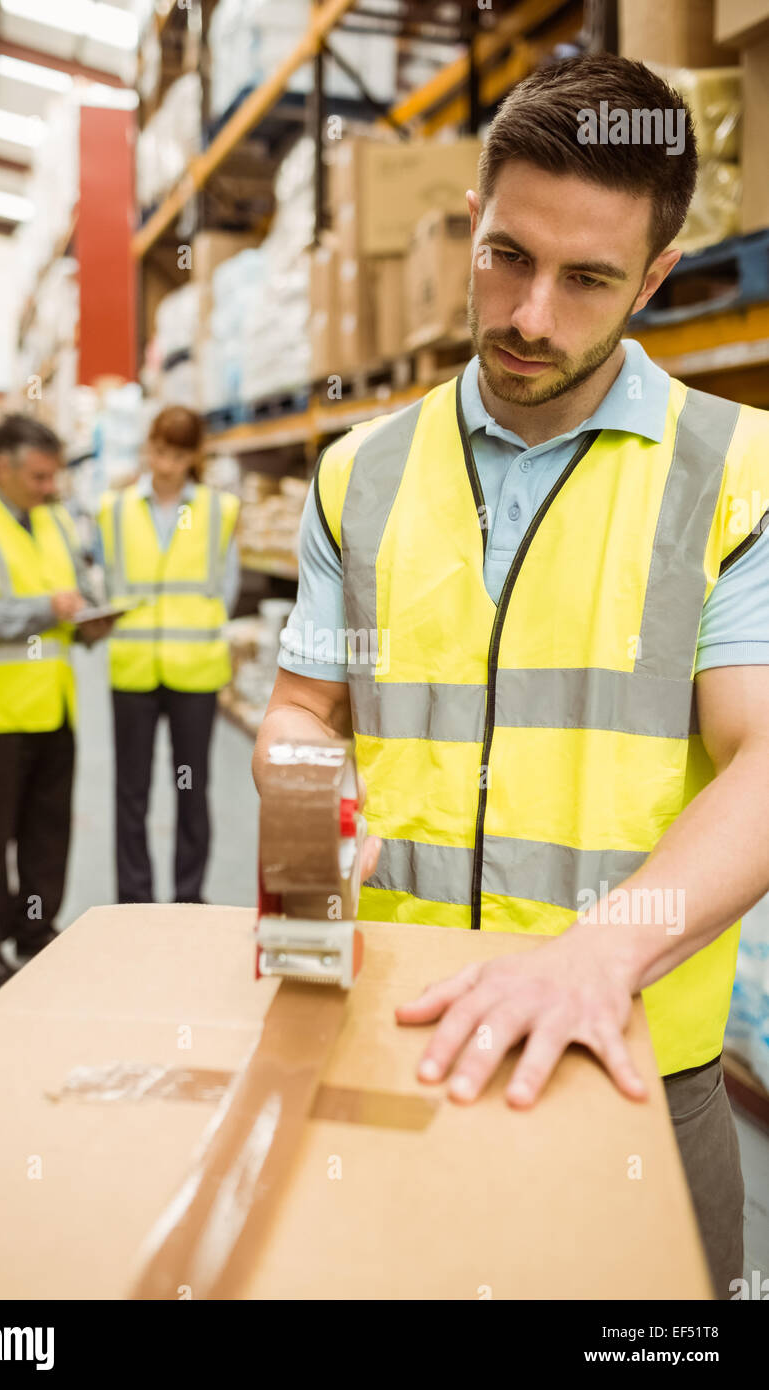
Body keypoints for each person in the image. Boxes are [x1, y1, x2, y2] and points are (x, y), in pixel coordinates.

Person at [253, 55, 769, 1298]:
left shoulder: (733, 473)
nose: (528, 314)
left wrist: (598, 954)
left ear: (652, 278)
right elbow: (304, 707)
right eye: (504, 256)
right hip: (387, 1037)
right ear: (473, 225)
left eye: (585, 278)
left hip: (632, 1064)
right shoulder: (359, 470)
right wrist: (302, 827)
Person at [0, 414, 112, 992]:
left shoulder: (56, 519)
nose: (47, 487)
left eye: (51, 476)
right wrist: (45, 610)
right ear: (1, 465)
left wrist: (91, 619)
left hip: (52, 709)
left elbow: (77, 592)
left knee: (46, 832)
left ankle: (35, 932)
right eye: (36, 476)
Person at [98, 406, 241, 905]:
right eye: (159, 451)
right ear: (148, 446)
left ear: (194, 456)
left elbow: (227, 585)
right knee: (130, 793)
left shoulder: (218, 510)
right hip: (134, 670)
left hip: (194, 672)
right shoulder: (112, 509)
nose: (165, 465)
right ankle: (134, 899)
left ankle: (188, 898)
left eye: (178, 455)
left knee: (191, 790)